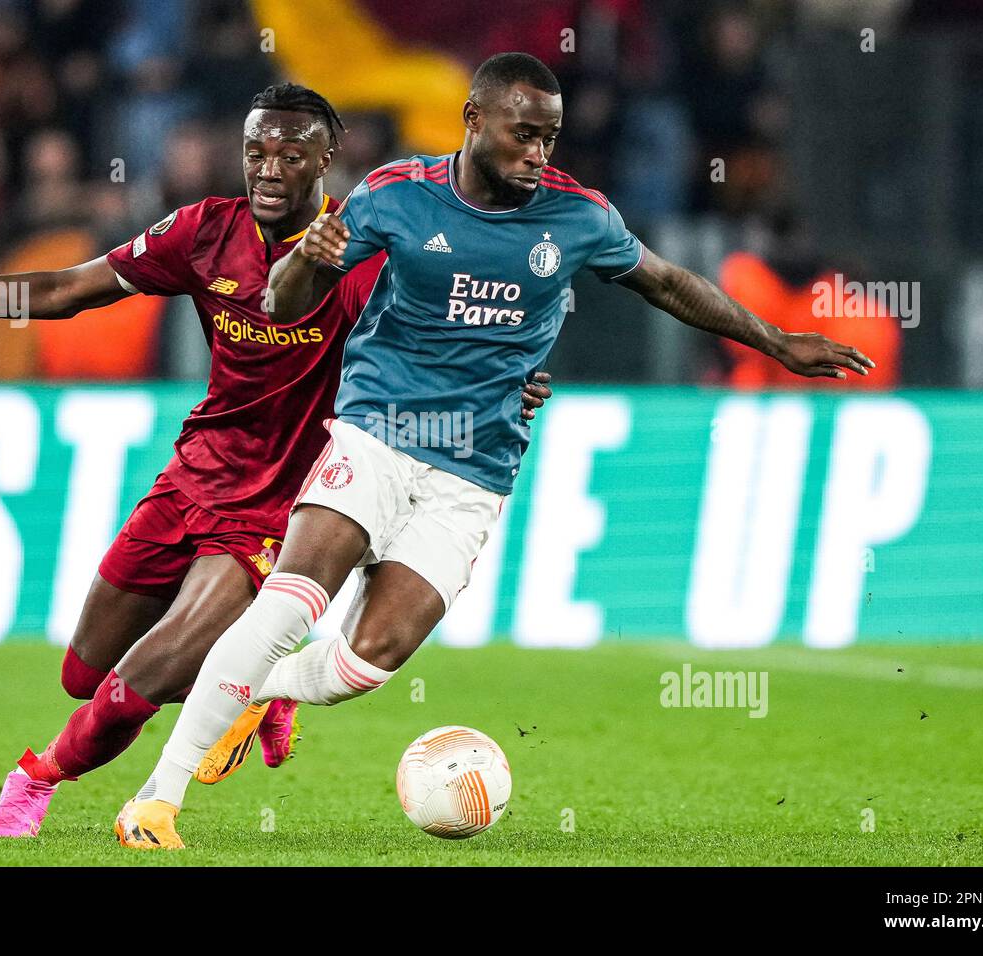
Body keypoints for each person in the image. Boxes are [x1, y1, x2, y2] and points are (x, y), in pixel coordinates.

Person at [116, 53, 874, 849]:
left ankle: (255, 692)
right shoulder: (396, 196)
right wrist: (306, 259)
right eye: (523, 135)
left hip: (476, 466)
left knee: (364, 663)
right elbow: (281, 302)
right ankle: (156, 801)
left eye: (548, 137)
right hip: (375, 432)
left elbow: (667, 282)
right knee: (289, 603)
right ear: (474, 122)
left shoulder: (578, 217)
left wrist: (775, 340)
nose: (538, 154)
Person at [0, 82, 554, 839]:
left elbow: (454, 340)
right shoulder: (203, 232)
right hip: (193, 476)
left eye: (289, 153)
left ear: (327, 161)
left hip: (284, 507)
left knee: (149, 669)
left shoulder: (365, 258)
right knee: (86, 674)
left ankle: (34, 780)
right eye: (255, 152)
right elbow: (62, 289)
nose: (268, 168)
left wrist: (508, 386)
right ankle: (258, 690)